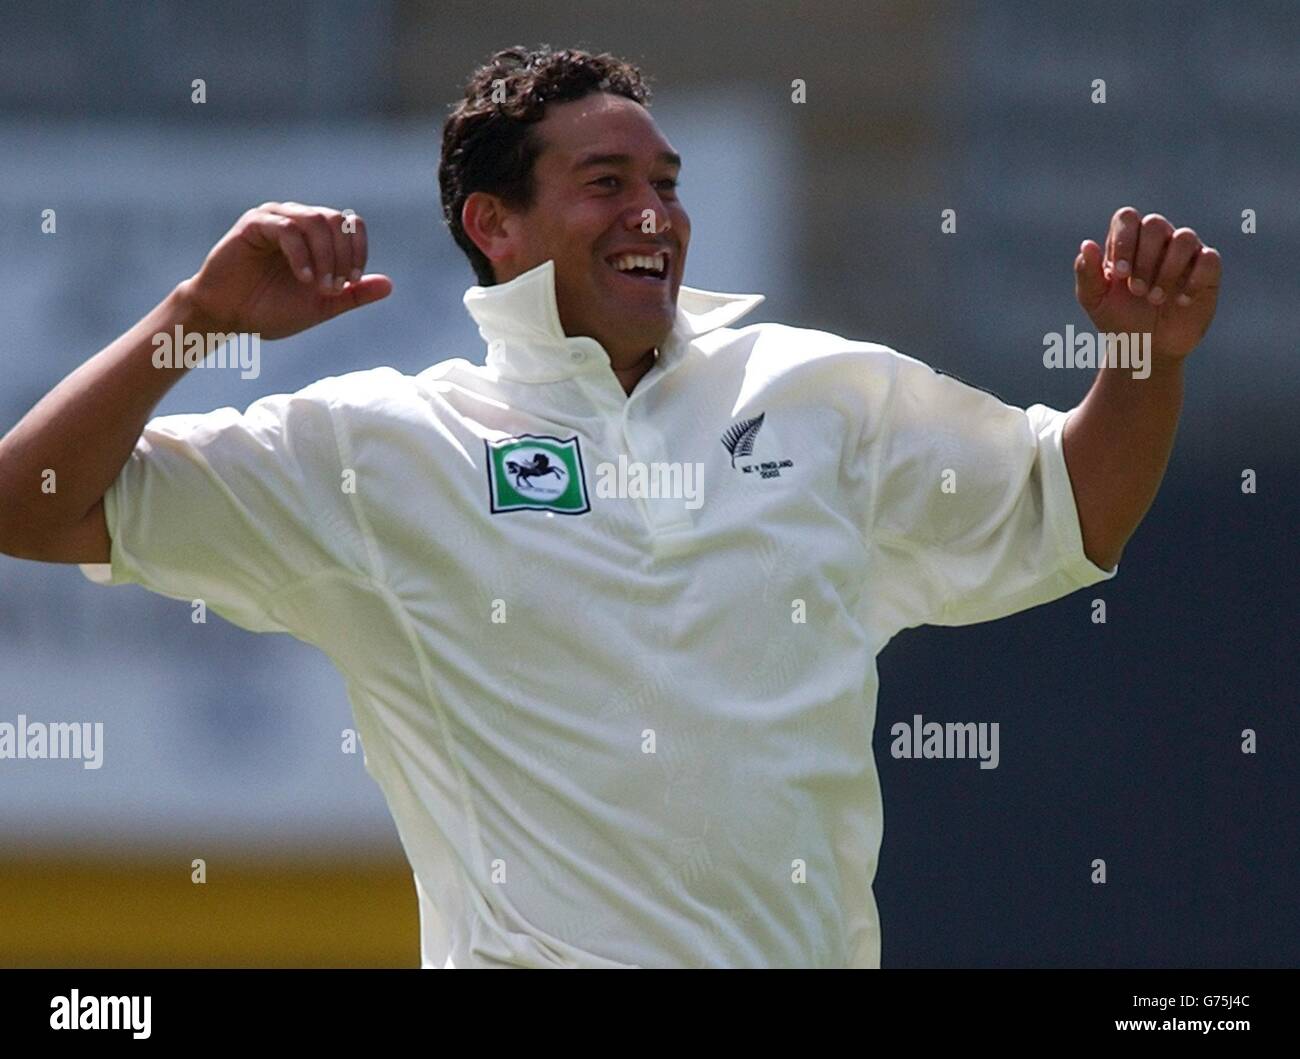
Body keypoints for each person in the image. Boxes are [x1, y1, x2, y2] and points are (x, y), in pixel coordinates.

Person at [0, 46, 1221, 967]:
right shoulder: (379, 449)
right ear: (495, 226)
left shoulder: (820, 393)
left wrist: (1142, 365)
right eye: (605, 182)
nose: (656, 214)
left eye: (667, 182)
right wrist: (192, 324)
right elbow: (33, 504)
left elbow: (1072, 510)